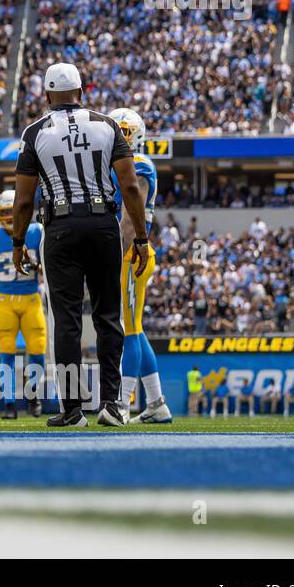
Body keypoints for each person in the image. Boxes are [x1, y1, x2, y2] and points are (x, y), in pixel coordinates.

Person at [11, 62, 150, 428]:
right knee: (109, 317)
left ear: (46, 94)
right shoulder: (108, 125)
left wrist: (17, 242)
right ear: (83, 90)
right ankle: (112, 405)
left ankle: (72, 410)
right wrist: (140, 237)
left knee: (67, 322)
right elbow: (131, 186)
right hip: (103, 224)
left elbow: (23, 200)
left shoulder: (35, 131)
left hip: (60, 227)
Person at [108, 107, 172, 424]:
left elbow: (130, 222)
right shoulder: (118, 165)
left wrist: (111, 253)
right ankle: (157, 403)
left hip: (133, 254)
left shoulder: (140, 165)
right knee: (136, 329)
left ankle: (122, 404)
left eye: (124, 131)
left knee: (129, 333)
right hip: (131, 254)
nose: (119, 137)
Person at [0, 189, 45, 419]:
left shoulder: (37, 232)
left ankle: (33, 394)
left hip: (31, 298)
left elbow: (49, 269)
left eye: (13, 211)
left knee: (37, 351)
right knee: (6, 354)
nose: (9, 216)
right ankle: (9, 404)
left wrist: (34, 263)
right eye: (5, 211)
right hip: (4, 300)